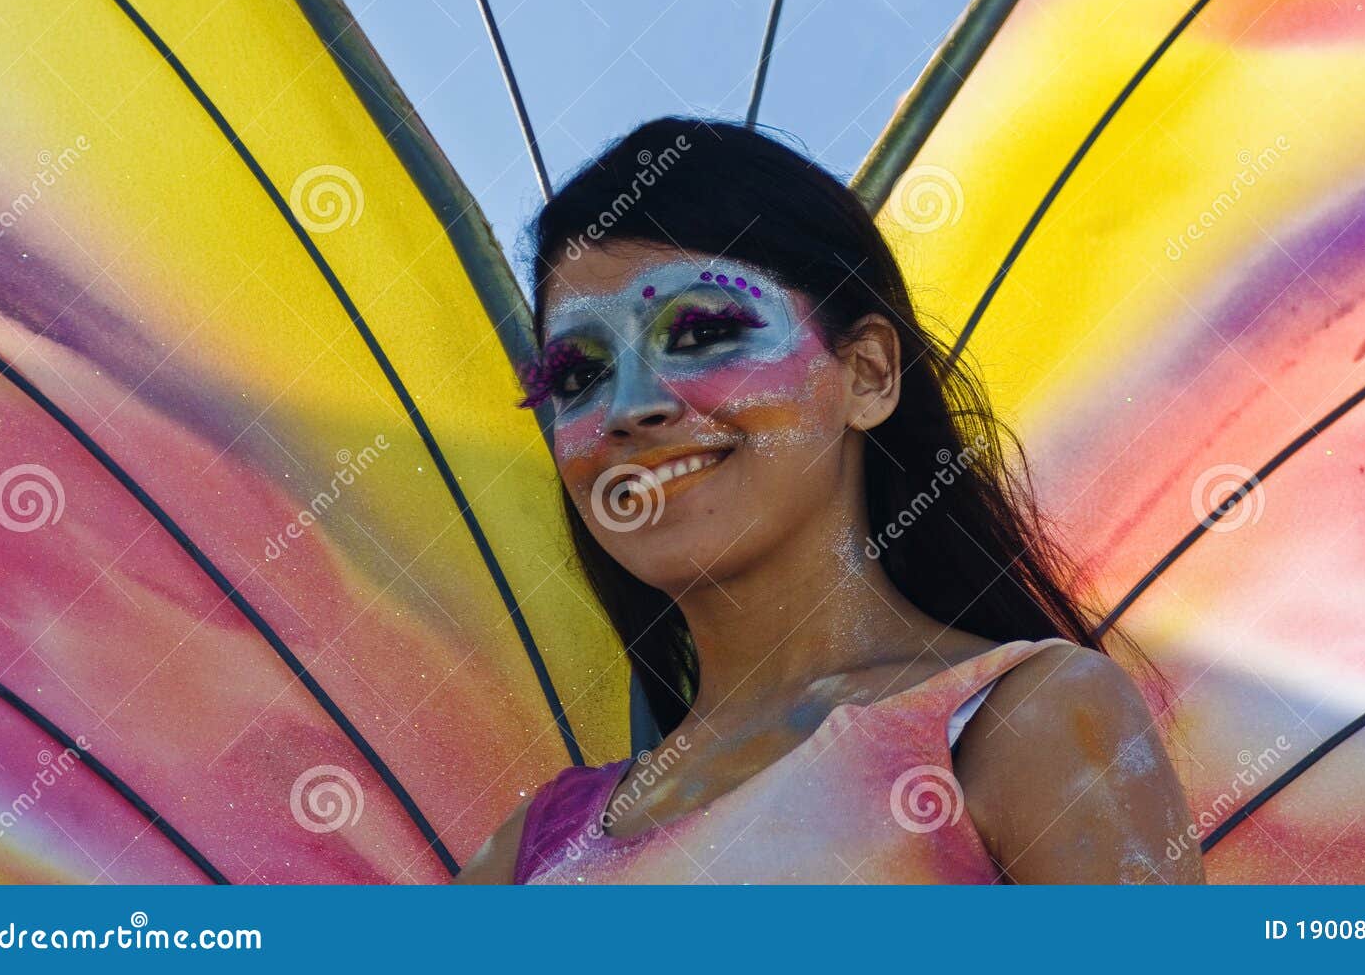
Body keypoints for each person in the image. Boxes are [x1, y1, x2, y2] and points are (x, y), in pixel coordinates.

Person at [458, 117, 1202, 884]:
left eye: (703, 332)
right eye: (577, 376)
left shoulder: (1022, 719)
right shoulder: (527, 853)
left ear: (869, 375)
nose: (628, 409)